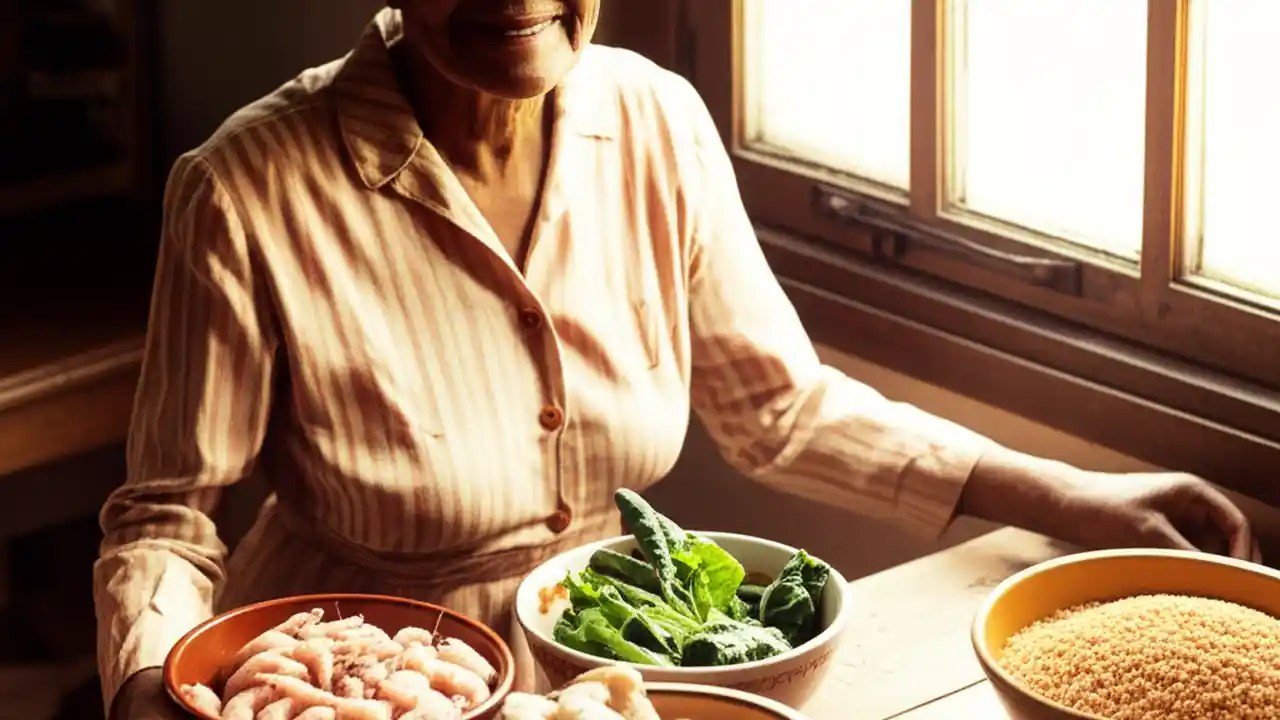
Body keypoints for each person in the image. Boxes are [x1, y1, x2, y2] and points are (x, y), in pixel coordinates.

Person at [95, 2, 1259, 718]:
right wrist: (154, 689)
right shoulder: (242, 186)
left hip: (608, 675)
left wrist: (1068, 491)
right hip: (355, 688)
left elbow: (781, 409)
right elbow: (165, 517)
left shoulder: (654, 118)